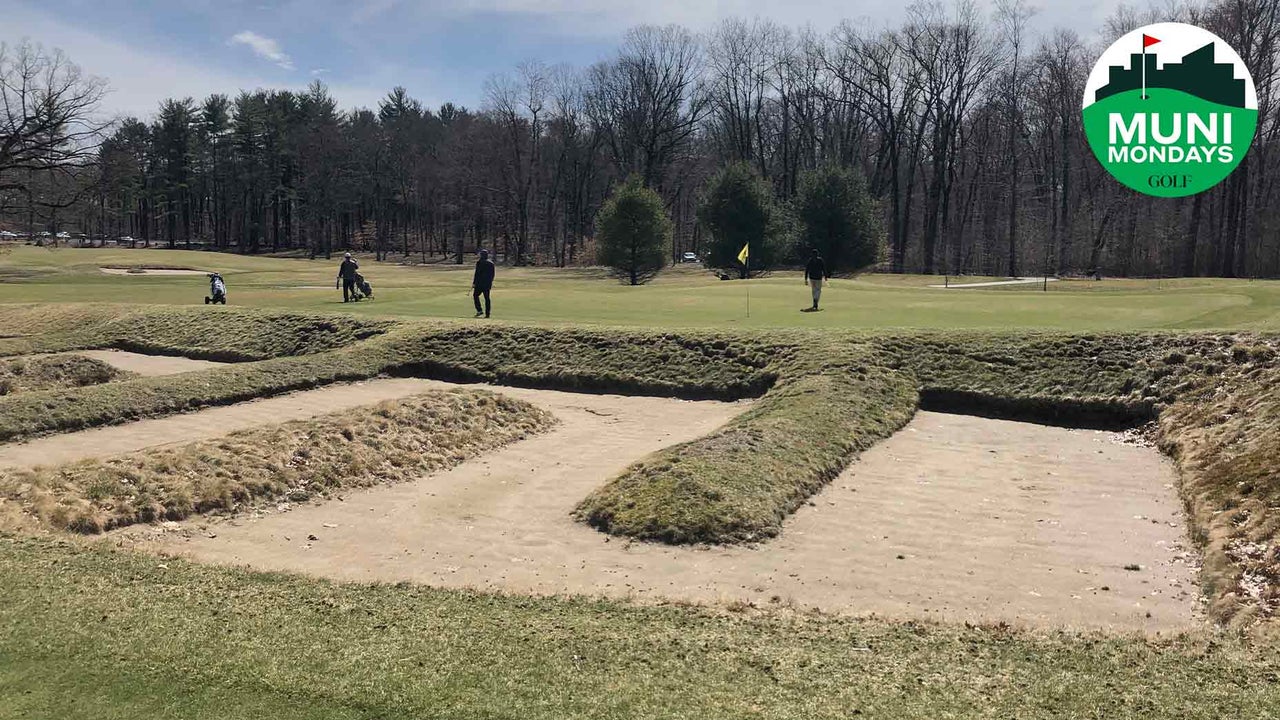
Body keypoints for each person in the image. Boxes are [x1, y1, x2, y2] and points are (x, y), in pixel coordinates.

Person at [472, 249, 496, 318]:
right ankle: (487, 314)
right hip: (487, 284)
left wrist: (474, 283)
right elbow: (492, 275)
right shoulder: (491, 263)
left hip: (479, 283)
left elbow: (477, 274)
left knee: (475, 295)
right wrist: (490, 282)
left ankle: (479, 310)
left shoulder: (479, 262)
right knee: (487, 298)